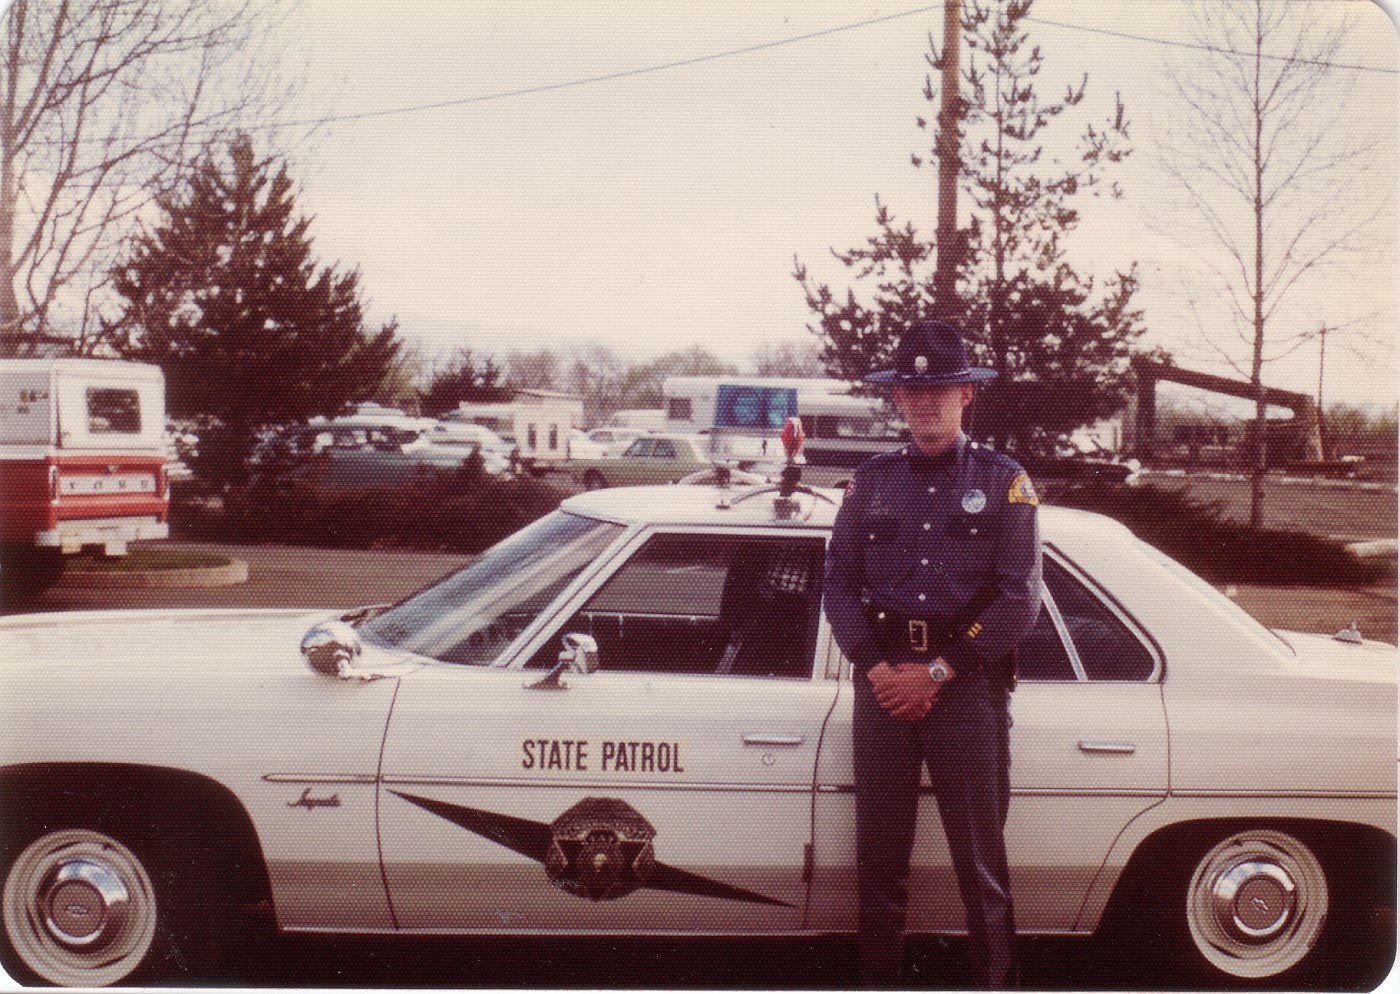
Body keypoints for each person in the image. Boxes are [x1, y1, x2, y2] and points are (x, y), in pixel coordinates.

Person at [824, 318, 1042, 989]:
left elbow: (1019, 600)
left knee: (981, 864)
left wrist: (939, 672)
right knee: (879, 861)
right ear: (897, 398)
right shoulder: (870, 482)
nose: (925, 401)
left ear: (965, 394)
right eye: (912, 391)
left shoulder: (1004, 481)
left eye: (939, 389)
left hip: (965, 687)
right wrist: (877, 669)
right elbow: (838, 584)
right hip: (884, 685)